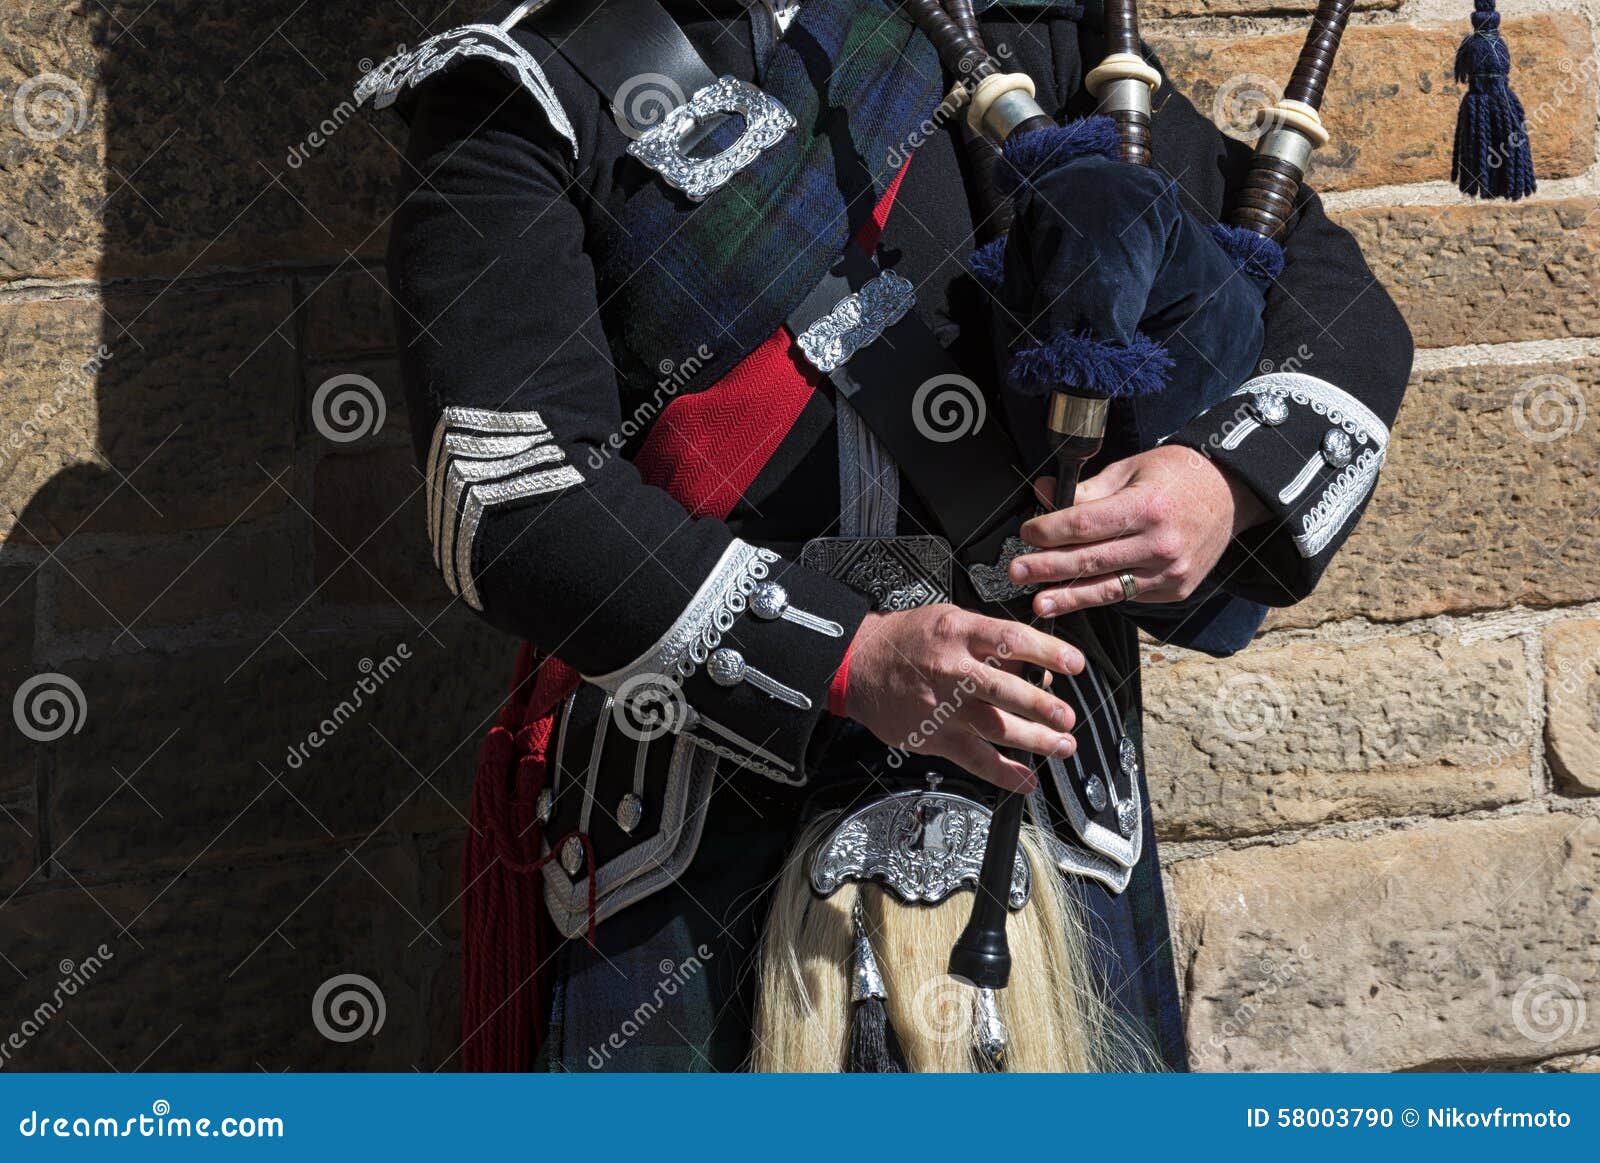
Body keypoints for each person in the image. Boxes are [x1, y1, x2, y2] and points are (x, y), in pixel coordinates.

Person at [361, 0, 1412, 1071]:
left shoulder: (1021, 40)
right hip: (689, 830)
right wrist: (844, 657)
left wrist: (1221, 481)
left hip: (1042, 808)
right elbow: (507, 490)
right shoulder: (522, 91)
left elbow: (1330, 303)